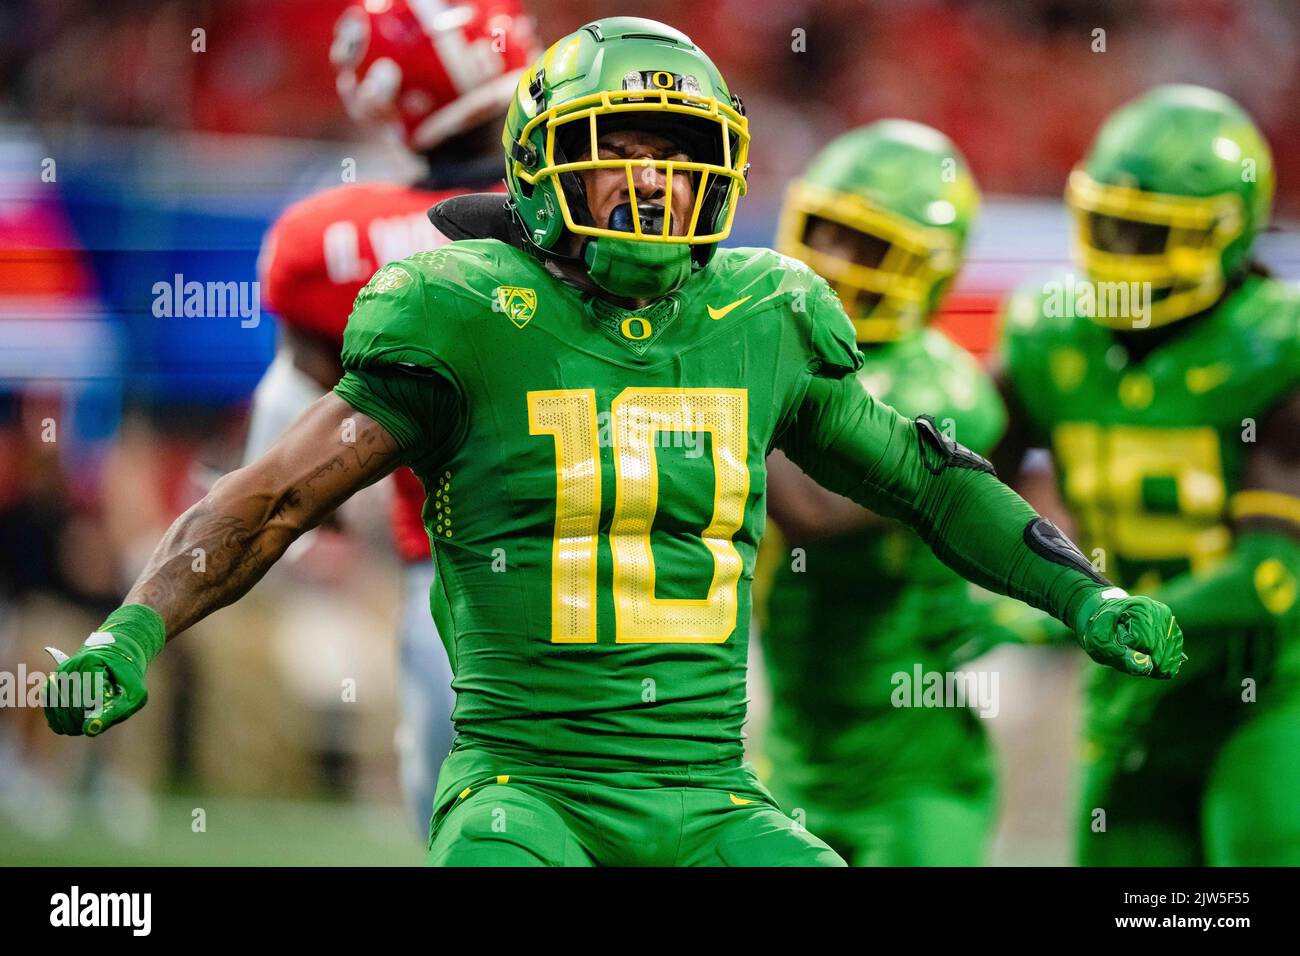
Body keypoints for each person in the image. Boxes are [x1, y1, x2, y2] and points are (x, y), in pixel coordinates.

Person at [45, 18, 1184, 867]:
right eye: (618, 146)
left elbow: (935, 486)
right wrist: (134, 631)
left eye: (678, 151)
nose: (652, 177)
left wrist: (1083, 597)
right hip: (524, 785)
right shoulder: (459, 308)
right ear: (538, 164)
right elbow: (274, 494)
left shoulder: (763, 315)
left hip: (710, 789)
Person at [244, 0, 538, 834]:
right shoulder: (583, 209)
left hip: (450, 595)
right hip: (633, 567)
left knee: (470, 827)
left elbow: (287, 436)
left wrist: (302, 522)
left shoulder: (333, 240)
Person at [1001, 84, 1300, 865]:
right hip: (1131, 691)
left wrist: (1076, 613)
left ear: (1226, 238)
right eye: (1110, 226)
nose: (1120, 256)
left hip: (1266, 692)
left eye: (1149, 235)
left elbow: (1273, 578)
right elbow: (956, 481)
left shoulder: (1275, 349)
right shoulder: (1052, 340)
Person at [760, 120, 1050, 865]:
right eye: (825, 232)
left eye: (869, 247)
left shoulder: (946, 387)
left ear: (928, 269)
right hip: (793, 753)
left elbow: (814, 510)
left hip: (911, 773)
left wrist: (706, 387)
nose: (834, 262)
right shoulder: (783, 354)